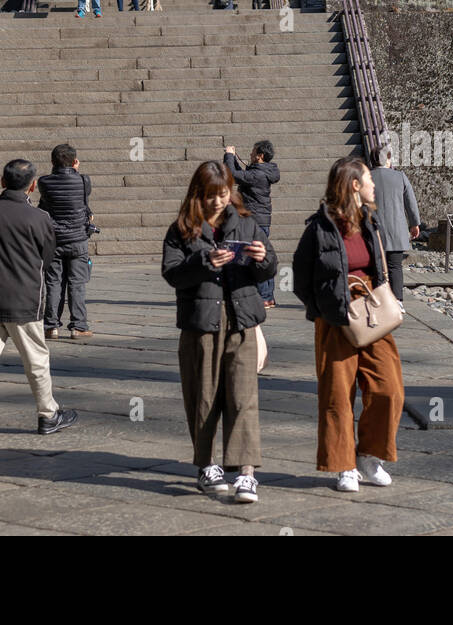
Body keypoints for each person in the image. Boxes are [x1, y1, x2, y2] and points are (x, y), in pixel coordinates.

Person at [161, 159, 277, 504]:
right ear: (199, 194)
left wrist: (262, 259)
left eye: (223, 194)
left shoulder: (246, 223)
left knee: (243, 395)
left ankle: (246, 472)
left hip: (241, 320)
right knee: (203, 396)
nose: (218, 202)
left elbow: (269, 265)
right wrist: (203, 262)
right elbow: (171, 273)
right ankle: (207, 465)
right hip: (201, 324)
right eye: (211, 195)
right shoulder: (182, 229)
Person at [293, 156, 405, 493]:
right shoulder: (318, 228)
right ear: (354, 185)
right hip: (336, 321)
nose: (374, 185)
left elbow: (381, 265)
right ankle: (343, 466)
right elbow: (300, 279)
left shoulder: (370, 220)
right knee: (337, 396)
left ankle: (369, 455)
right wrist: (324, 310)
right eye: (369, 179)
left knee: (389, 389)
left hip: (372, 315)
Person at [0, 159, 79, 447]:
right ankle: (47, 414)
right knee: (36, 362)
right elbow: (46, 259)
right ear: (32, 185)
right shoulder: (39, 219)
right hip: (25, 302)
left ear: (2, 181)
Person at [38, 142, 95, 339]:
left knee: (53, 282)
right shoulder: (83, 181)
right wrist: (75, 170)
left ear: (52, 162)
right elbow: (84, 202)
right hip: (78, 239)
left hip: (53, 240)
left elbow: (44, 205)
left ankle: (51, 326)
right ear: (75, 161)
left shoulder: (44, 182)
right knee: (77, 283)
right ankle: (78, 326)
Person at [223, 141, 281, 307]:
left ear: (260, 156)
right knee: (259, 254)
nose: (250, 154)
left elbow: (233, 176)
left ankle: (264, 296)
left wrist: (228, 155)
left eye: (253, 152)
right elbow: (240, 175)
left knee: (257, 256)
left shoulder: (258, 175)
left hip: (256, 220)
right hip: (260, 220)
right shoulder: (263, 172)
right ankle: (266, 296)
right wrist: (232, 157)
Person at [368, 155, 422, 302]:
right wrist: (414, 223)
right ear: (387, 160)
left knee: (376, 267)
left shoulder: (366, 177)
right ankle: (397, 301)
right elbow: (410, 202)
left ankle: (379, 300)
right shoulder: (400, 176)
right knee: (395, 267)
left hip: (373, 230)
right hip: (396, 230)